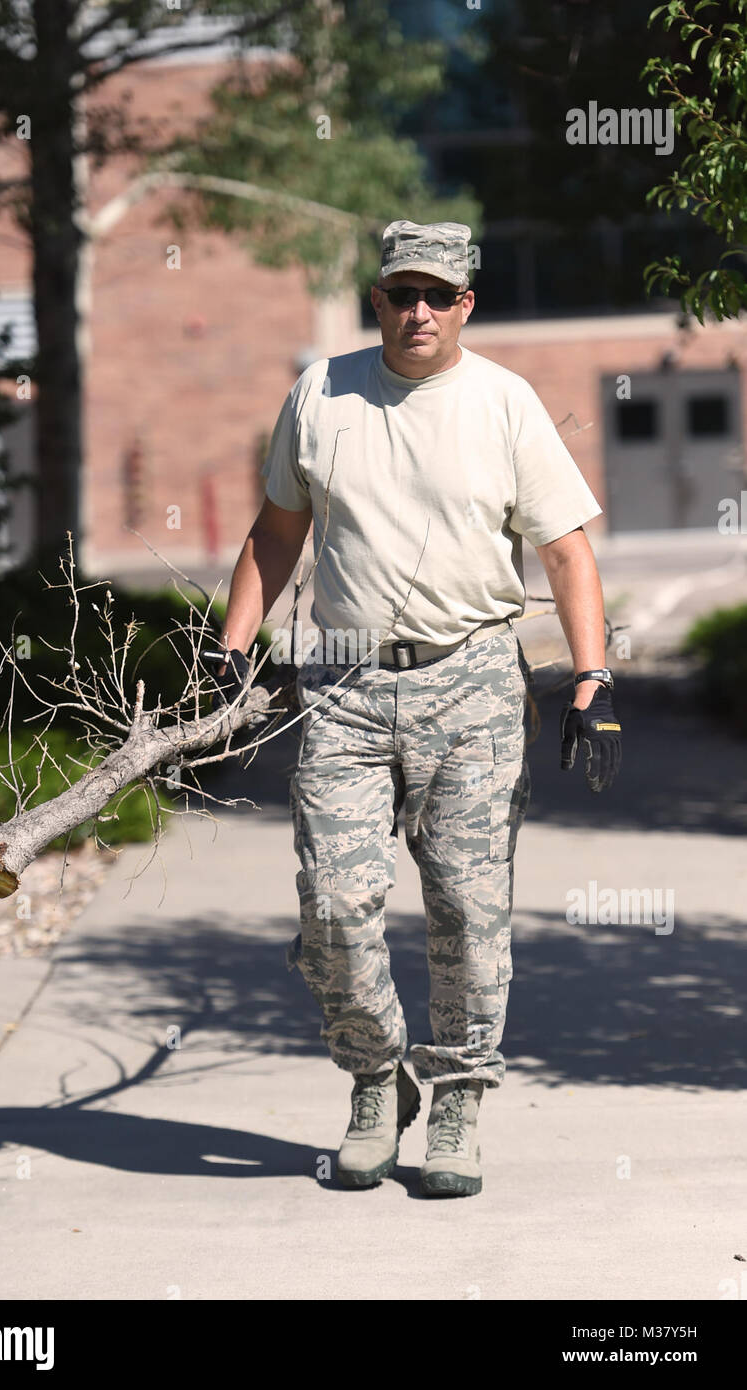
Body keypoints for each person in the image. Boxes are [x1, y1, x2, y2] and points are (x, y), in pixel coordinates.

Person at [208, 219, 622, 1198]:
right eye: (402, 293)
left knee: (467, 913)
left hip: (472, 681)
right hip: (345, 687)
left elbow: (565, 551)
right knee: (332, 910)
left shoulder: (503, 404)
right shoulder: (321, 393)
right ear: (378, 299)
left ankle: (458, 1104)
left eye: (438, 294)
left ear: (467, 303)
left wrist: (594, 681)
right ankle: (372, 1079)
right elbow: (275, 535)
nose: (419, 311)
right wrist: (229, 653)